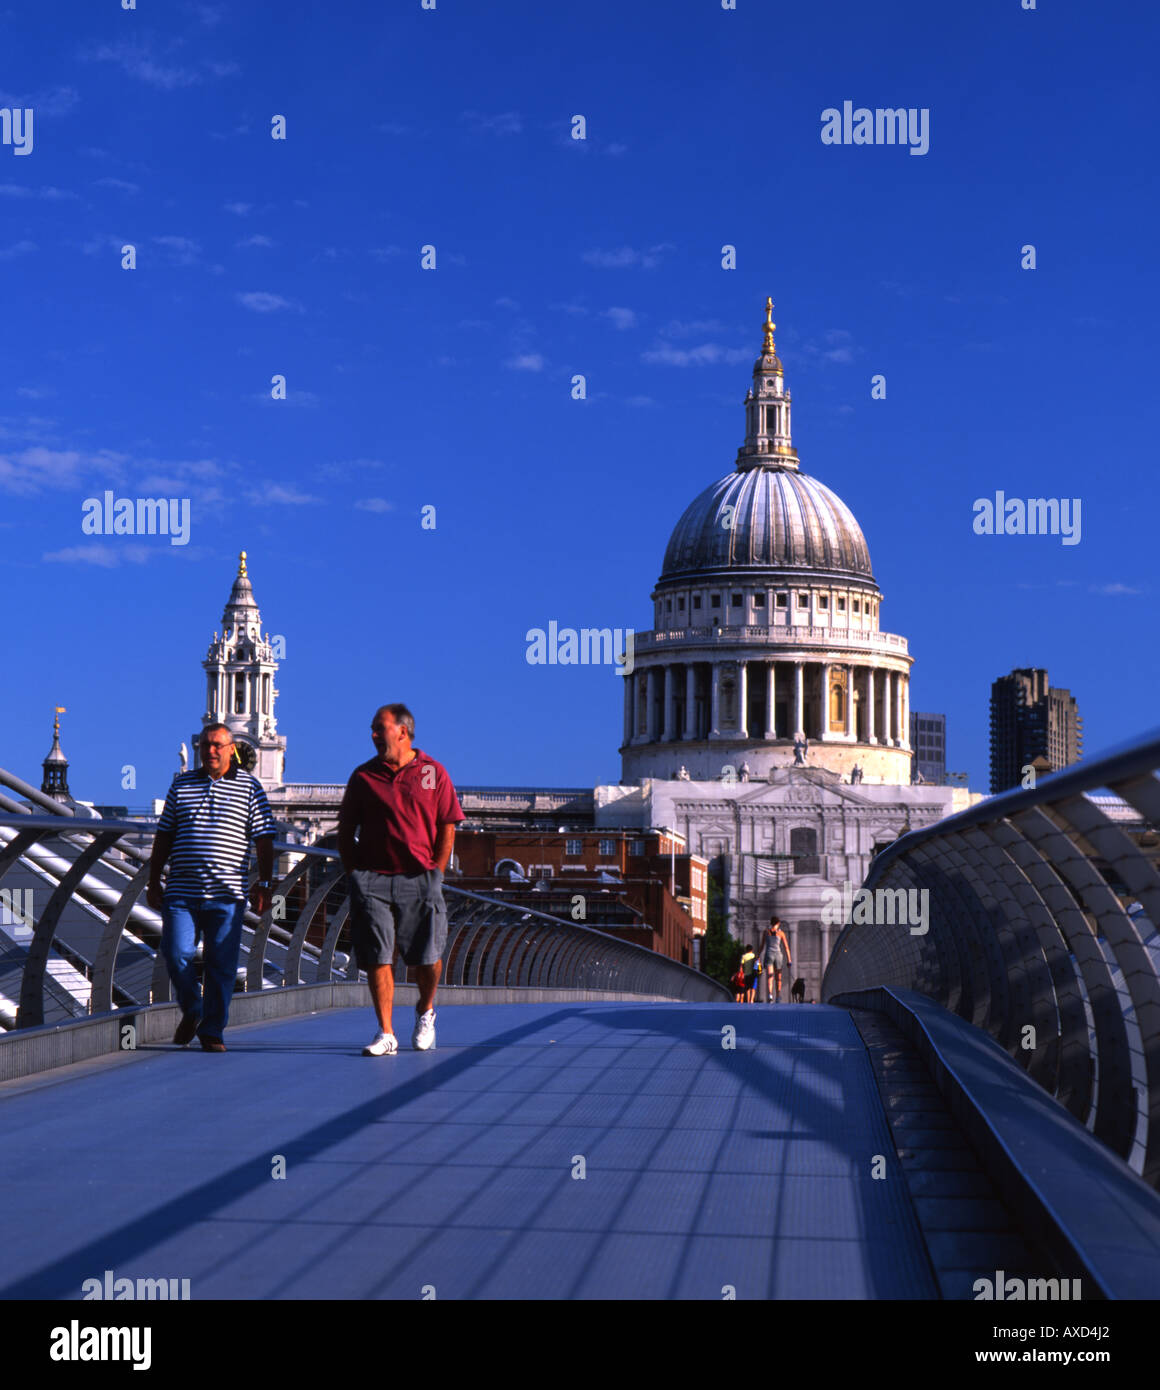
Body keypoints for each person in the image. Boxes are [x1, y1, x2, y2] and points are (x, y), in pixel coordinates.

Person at [338, 704, 464, 1056]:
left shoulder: (433, 773)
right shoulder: (364, 777)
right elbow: (346, 830)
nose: (374, 735)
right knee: (378, 956)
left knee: (427, 958)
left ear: (402, 732)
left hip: (420, 878)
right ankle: (386, 1032)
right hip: (373, 881)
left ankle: (425, 1010)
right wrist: (354, 874)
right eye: (373, 729)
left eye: (380, 728)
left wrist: (436, 872)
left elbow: (447, 826)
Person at [147, 724, 276, 1052]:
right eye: (205, 745)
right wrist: (153, 878)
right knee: (175, 954)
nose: (210, 751)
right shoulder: (182, 785)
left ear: (231, 748)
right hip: (181, 890)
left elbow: (263, 838)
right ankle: (194, 1008)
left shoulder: (250, 788)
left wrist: (264, 883)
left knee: (222, 964)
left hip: (227, 894)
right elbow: (164, 835)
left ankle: (212, 1030)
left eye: (217, 745)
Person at [762, 916, 792, 1003]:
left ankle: (770, 995)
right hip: (778, 955)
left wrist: (757, 956)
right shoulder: (781, 933)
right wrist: (789, 959)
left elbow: (762, 945)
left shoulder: (766, 932)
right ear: (778, 923)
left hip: (769, 954)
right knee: (778, 977)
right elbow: (786, 947)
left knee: (769, 977)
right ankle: (778, 996)